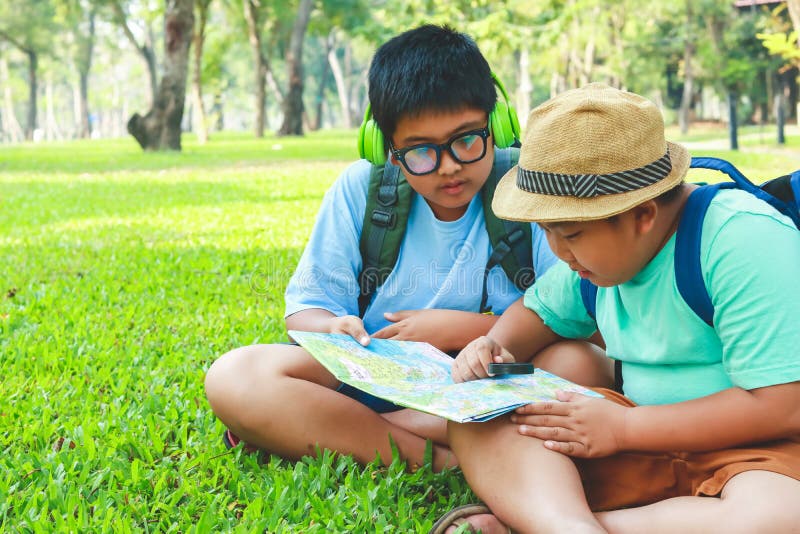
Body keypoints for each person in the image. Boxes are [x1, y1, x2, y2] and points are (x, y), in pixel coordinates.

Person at [203, 26, 611, 473]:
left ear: (497, 124)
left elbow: (582, 322)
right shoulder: (362, 190)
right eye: (421, 152)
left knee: (581, 364)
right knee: (235, 375)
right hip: (374, 376)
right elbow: (307, 311)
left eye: (467, 140)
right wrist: (334, 326)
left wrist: (461, 331)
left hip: (492, 380)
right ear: (388, 149)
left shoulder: (528, 187)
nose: (450, 166)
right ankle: (442, 458)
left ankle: (358, 432)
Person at [434, 83, 800, 532]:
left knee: (778, 516)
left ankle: (547, 523)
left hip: (757, 450)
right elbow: (537, 314)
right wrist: (491, 346)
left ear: (642, 215)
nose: (558, 251)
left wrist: (625, 430)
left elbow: (782, 406)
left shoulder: (742, 240)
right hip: (625, 434)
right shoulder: (589, 265)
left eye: (569, 234)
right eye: (547, 231)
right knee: (483, 417)